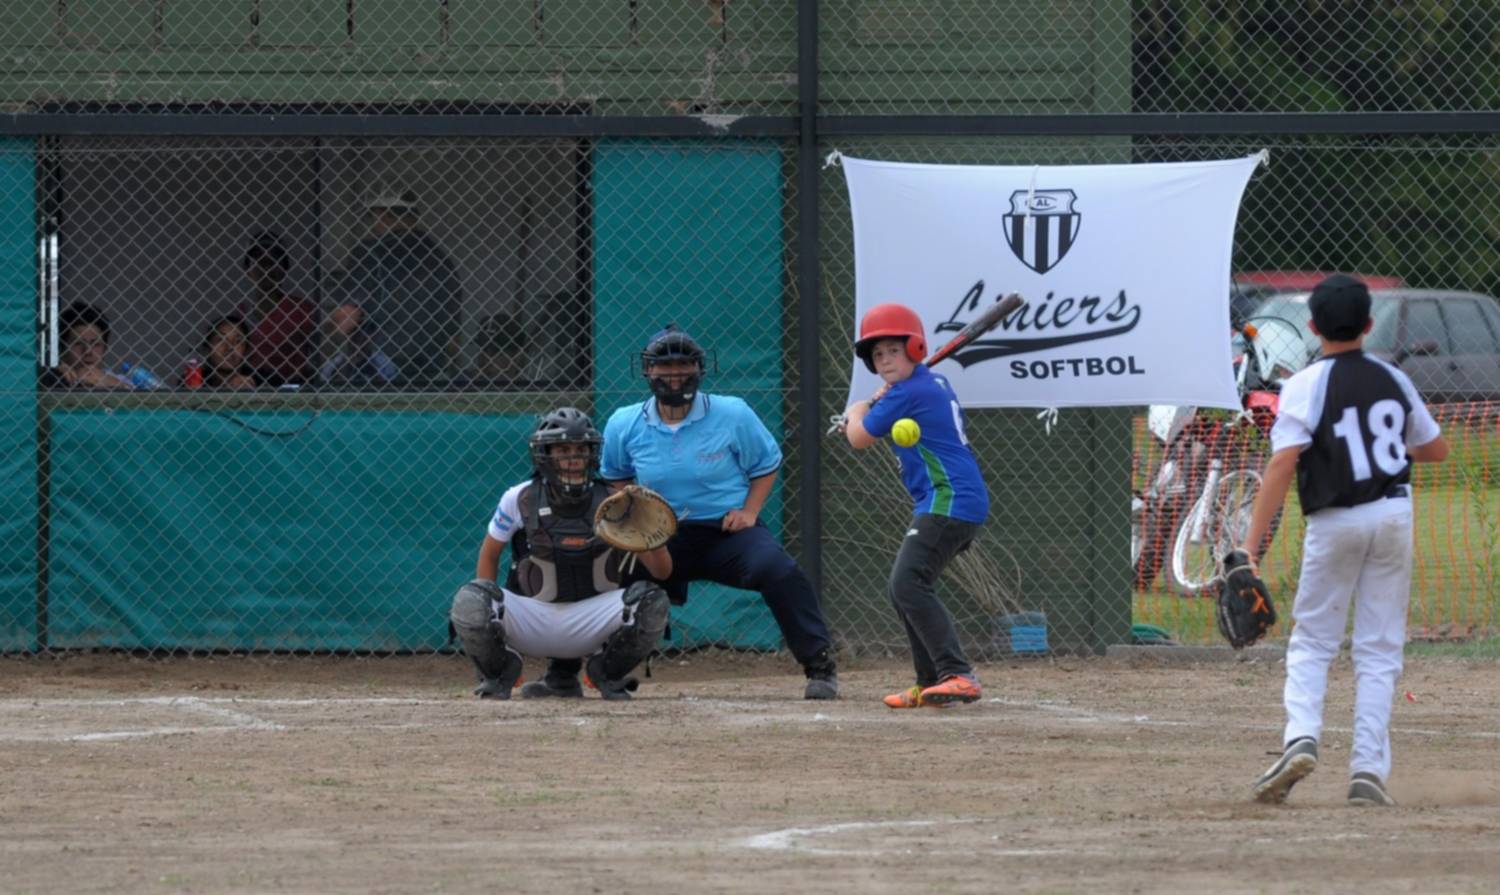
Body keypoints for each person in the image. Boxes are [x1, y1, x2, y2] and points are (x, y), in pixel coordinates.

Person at [1239, 274, 1449, 807]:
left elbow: (1284, 461)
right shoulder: (1391, 376)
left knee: (1313, 641)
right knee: (1379, 649)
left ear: (1312, 327)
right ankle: (1367, 773)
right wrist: (1392, 449)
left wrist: (1249, 547)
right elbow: (1435, 449)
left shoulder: (1305, 384)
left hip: (1335, 520)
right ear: (1369, 325)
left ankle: (1302, 737)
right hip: (1393, 514)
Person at [599, 325, 840, 700]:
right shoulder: (624, 422)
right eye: (663, 367)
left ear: (699, 369)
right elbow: (615, 477)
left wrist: (749, 510)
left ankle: (820, 666)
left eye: (684, 365)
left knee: (778, 570)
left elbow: (765, 463)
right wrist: (635, 525)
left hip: (724, 530)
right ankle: (599, 670)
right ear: (647, 371)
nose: (674, 374)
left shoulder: (732, 413)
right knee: (609, 577)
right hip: (659, 535)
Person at [449, 407, 674, 700]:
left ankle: (604, 672)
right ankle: (500, 671)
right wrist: (491, 619)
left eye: (580, 449)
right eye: (562, 449)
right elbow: (490, 555)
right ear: (544, 453)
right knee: (472, 599)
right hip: (535, 617)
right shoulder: (520, 497)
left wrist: (651, 535)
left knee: (652, 601)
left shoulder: (615, 500)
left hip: (592, 620)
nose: (572, 457)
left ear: (592, 453)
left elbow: (662, 573)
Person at [839, 303, 990, 708]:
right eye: (877, 355)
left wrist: (856, 410)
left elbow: (858, 437)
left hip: (950, 500)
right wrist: (871, 410)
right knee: (902, 587)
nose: (885, 360)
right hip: (951, 500)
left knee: (908, 582)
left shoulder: (910, 391)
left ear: (915, 348)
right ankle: (930, 683)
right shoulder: (928, 383)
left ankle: (957, 674)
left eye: (893, 350)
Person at [330, 190, 463, 386]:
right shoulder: (440, 258)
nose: (372, 223)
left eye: (372, 216)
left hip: (381, 366)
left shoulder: (369, 252)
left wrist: (324, 331)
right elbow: (453, 335)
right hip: (432, 367)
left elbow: (348, 317)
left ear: (381, 214)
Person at [237, 231, 317, 386]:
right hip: (253, 387)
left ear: (284, 268)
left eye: (273, 261)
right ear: (247, 270)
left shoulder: (301, 309)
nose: (266, 267)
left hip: (291, 388)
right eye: (259, 261)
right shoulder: (242, 312)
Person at [42, 301, 131, 389]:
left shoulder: (117, 380)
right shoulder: (54, 379)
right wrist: (56, 378)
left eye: (96, 344)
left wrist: (108, 382)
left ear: (105, 349)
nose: (88, 351)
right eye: (78, 343)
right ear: (63, 350)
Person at [317, 302, 399, 387]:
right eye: (356, 337)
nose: (360, 343)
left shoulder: (383, 363)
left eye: (365, 338)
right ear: (349, 338)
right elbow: (323, 384)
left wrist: (377, 377)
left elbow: (392, 386)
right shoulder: (335, 364)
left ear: (372, 339)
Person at [463, 311, 528, 387]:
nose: (483, 360)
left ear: (517, 356)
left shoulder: (533, 389)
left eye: (494, 352)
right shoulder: (462, 384)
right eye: (482, 350)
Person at [197, 314, 256, 389]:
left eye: (238, 341)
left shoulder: (263, 379)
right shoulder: (194, 380)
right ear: (208, 348)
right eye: (221, 340)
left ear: (246, 349)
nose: (230, 347)